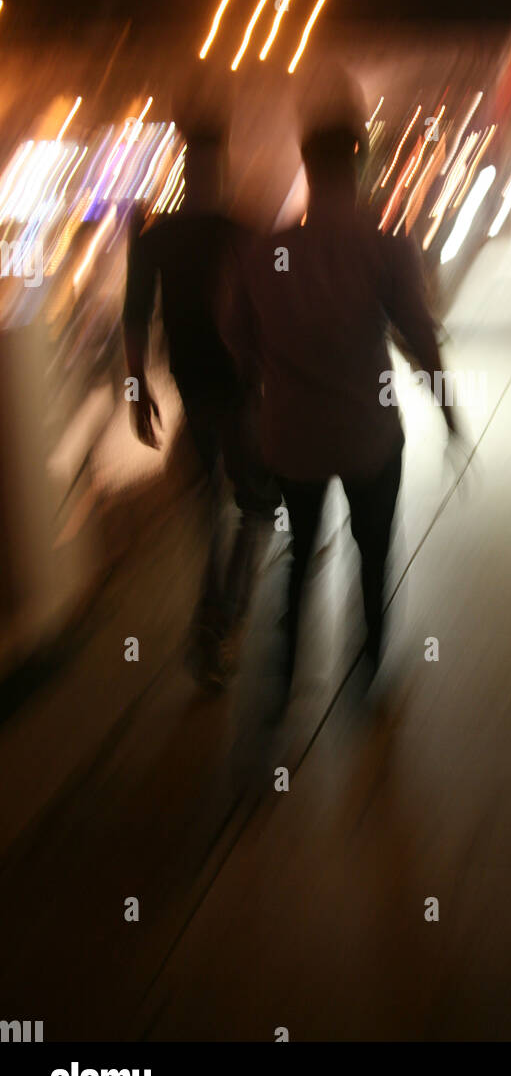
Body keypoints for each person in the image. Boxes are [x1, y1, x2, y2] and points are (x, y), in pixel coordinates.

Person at [221, 106, 464, 722]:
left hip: (294, 441)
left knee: (301, 555)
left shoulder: (266, 256)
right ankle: (369, 672)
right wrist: (450, 416)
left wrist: (268, 378)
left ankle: (283, 679)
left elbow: (236, 337)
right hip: (369, 437)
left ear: (307, 166)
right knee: (373, 551)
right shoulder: (383, 248)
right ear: (357, 163)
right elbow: (419, 338)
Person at [122, 110, 275, 686]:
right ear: (221, 167)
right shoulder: (243, 231)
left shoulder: (157, 238)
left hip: (196, 390)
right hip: (238, 393)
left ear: (185, 169)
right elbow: (271, 318)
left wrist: (138, 391)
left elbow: (134, 318)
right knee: (256, 505)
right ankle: (222, 620)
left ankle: (214, 618)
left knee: (209, 509)